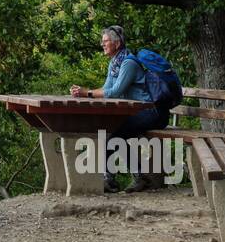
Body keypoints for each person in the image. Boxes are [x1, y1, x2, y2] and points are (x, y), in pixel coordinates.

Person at [70, 25, 166, 193]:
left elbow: (114, 92)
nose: (102, 44)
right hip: (137, 113)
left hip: (151, 113)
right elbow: (106, 88)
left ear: (117, 43)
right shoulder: (115, 63)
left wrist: (88, 92)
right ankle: (125, 177)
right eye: (102, 41)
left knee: (115, 134)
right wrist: (84, 93)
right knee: (113, 133)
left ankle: (116, 178)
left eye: (105, 41)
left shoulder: (128, 63)